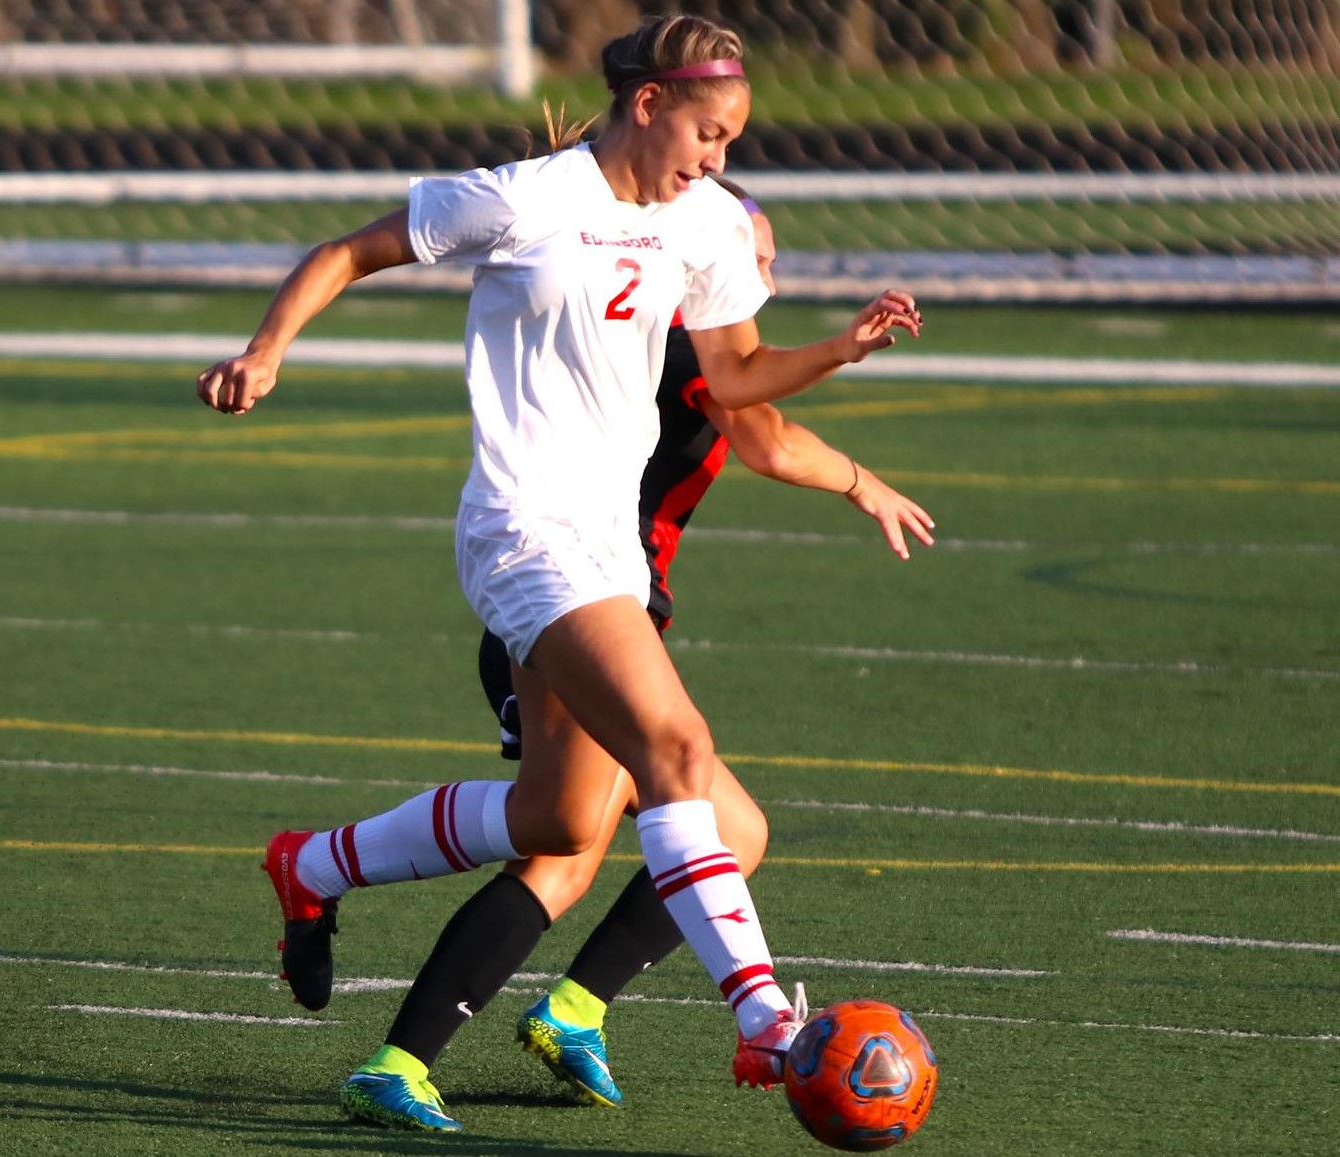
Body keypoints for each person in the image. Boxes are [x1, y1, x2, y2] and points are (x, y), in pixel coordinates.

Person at [196, 10, 922, 1133]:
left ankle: (315, 864)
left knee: (558, 815)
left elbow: (737, 386)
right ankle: (767, 1019)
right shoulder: (525, 196)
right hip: (522, 530)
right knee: (679, 752)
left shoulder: (713, 224)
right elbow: (350, 250)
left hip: (610, 548)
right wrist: (266, 349)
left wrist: (841, 346)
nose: (719, 158)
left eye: (733, 139)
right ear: (648, 104)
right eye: (708, 131)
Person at [331, 186, 933, 1132]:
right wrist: (860, 480)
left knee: (724, 830)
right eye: (753, 254)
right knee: (564, 848)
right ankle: (395, 1058)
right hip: (569, 607)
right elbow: (764, 435)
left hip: (617, 608)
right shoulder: (684, 339)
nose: (762, 275)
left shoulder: (671, 327)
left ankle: (567, 1009)